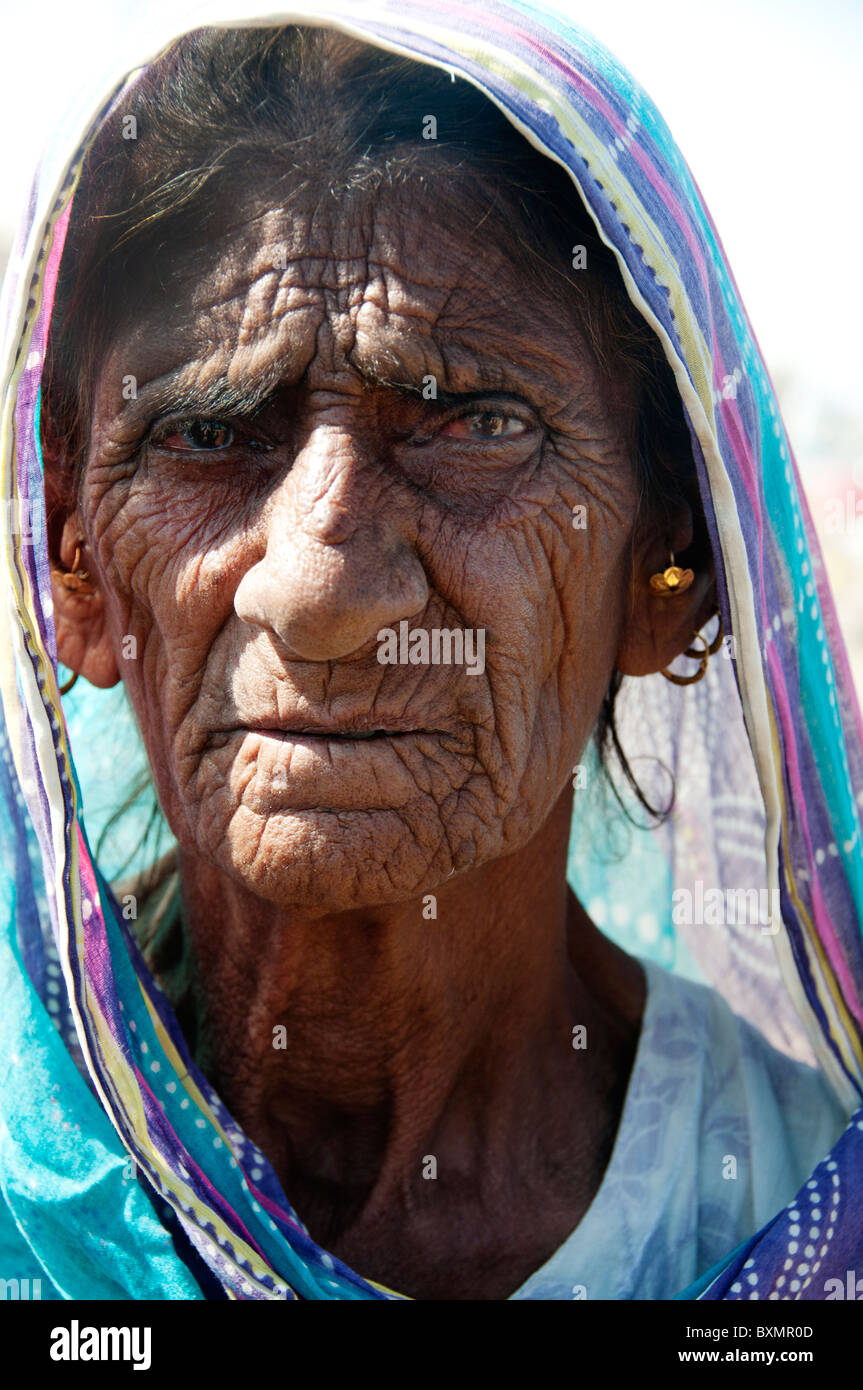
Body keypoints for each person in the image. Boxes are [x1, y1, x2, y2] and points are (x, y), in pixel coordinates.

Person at [1, 0, 862, 1302]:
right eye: (210, 431)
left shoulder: (798, 1213)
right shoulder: (34, 1168)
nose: (319, 588)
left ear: (672, 563)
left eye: (471, 420)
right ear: (71, 565)